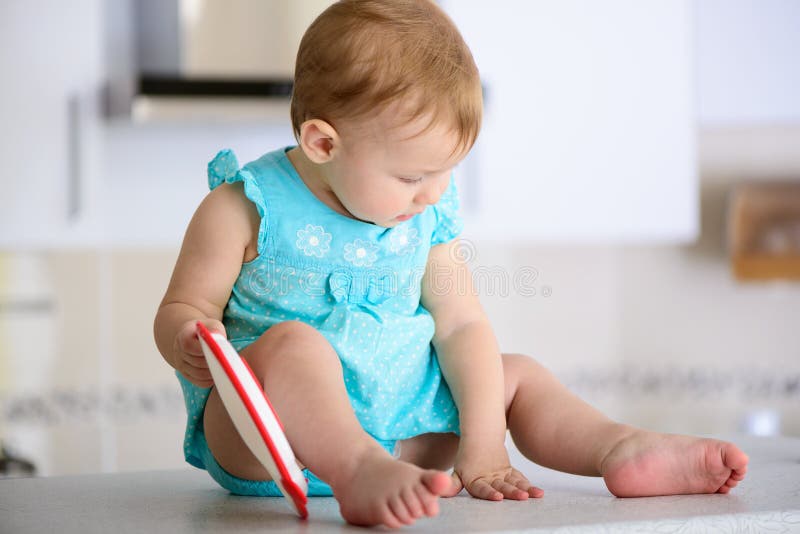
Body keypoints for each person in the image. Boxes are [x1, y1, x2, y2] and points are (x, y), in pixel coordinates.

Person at [153, 0, 748, 528]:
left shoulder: (424, 216)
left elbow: (460, 322)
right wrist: (185, 335)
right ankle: (356, 467)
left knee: (512, 372)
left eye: (447, 171)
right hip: (268, 438)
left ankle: (619, 448)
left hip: (405, 439)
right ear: (323, 143)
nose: (433, 194)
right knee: (294, 346)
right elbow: (186, 308)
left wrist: (484, 444)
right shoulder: (243, 206)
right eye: (413, 176)